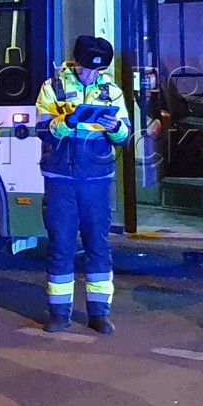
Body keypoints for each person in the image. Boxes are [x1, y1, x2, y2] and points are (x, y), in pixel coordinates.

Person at [35, 35, 133, 334]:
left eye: (98, 70)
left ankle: (99, 313)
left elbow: (125, 137)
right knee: (61, 246)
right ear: (76, 62)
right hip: (61, 181)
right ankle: (59, 313)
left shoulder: (111, 92)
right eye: (88, 68)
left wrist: (116, 128)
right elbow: (43, 130)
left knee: (98, 246)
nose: (92, 75)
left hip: (97, 182)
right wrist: (67, 122)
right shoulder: (52, 87)